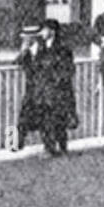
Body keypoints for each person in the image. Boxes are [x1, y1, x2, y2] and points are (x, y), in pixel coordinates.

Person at [19, 19, 77, 156]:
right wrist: (24, 50)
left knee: (59, 121)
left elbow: (67, 69)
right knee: (46, 120)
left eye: (44, 30)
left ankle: (61, 148)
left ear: (52, 31)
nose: (42, 33)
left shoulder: (63, 47)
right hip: (43, 91)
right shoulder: (41, 47)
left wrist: (56, 81)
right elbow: (24, 64)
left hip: (58, 90)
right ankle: (49, 148)